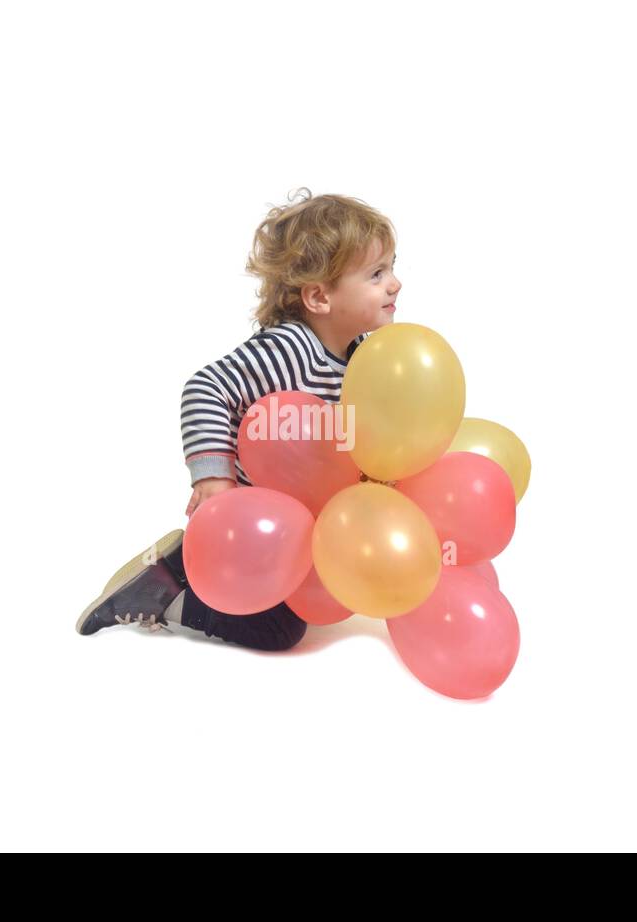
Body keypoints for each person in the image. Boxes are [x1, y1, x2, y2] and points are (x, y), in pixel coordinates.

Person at [75, 188, 401, 649]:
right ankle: (166, 594)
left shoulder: (363, 359)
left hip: (300, 533)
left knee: (310, 605)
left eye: (392, 268)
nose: (394, 284)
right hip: (253, 532)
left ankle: (181, 567)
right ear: (319, 297)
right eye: (376, 274)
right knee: (281, 631)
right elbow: (206, 387)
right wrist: (214, 477)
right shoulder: (291, 349)